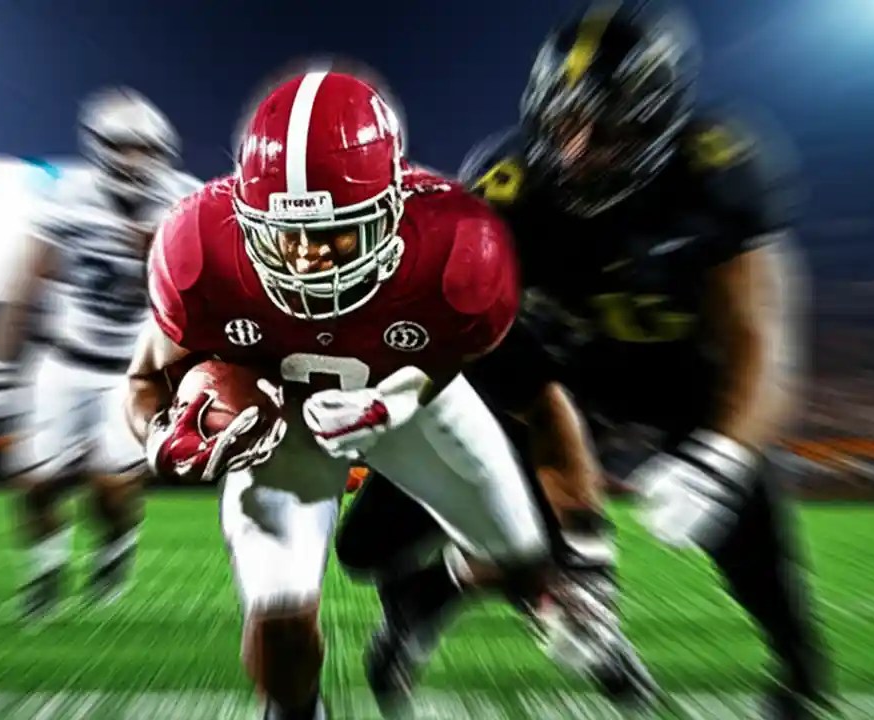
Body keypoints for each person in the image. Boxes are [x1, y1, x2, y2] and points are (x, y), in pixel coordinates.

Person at [336, 2, 832, 717]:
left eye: (606, 128)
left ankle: (799, 666)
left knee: (745, 517)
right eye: (563, 125)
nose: (577, 151)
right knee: (389, 535)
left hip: (678, 373)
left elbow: (764, 342)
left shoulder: (718, 166)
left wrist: (721, 457)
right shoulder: (507, 186)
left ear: (661, 118)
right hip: (553, 369)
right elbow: (458, 334)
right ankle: (425, 599)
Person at [125, 69, 561, 720]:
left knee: (525, 555)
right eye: (283, 234)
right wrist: (163, 432)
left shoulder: (457, 243)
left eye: (334, 236)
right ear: (245, 212)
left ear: (393, 211)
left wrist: (393, 403)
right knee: (278, 621)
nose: (305, 260)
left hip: (409, 406)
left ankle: (425, 600)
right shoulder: (197, 245)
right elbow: (145, 380)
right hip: (281, 426)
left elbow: (452, 356)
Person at [0, 87, 201, 622]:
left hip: (133, 372)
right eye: (122, 146)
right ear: (98, 146)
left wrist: (164, 257)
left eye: (145, 148)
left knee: (110, 489)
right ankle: (46, 571)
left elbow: (213, 293)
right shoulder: (66, 195)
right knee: (35, 484)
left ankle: (116, 546)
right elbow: (22, 281)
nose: (134, 160)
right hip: (63, 361)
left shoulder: (189, 203)